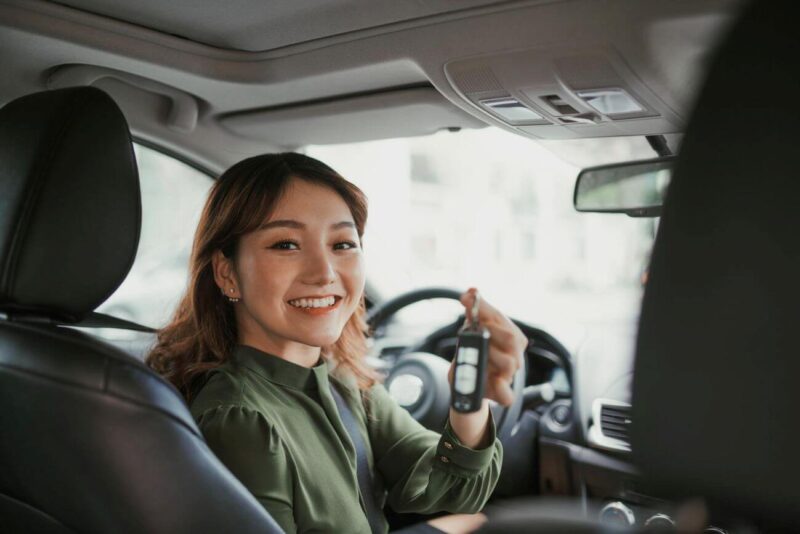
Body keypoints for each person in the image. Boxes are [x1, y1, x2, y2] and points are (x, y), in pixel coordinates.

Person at [146, 153, 528, 534]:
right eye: (286, 244)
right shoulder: (241, 422)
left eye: (343, 244)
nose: (324, 272)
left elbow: (447, 490)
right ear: (227, 273)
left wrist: (470, 401)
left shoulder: (342, 381)